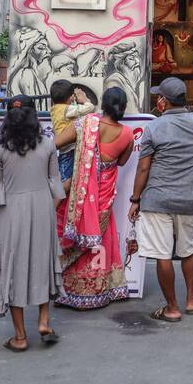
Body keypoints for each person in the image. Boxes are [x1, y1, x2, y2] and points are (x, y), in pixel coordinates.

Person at [129, 76, 193, 322]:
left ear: (163, 102)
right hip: (188, 199)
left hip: (157, 199)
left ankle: (172, 307)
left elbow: (143, 169)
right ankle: (191, 301)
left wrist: (135, 199)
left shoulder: (154, 127)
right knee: (188, 250)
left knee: (162, 254)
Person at [0, 97, 64, 352]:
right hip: (43, 207)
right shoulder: (48, 145)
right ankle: (43, 321)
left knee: (12, 267)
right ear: (34, 117)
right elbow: (55, 185)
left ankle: (19, 337)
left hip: (12, 211)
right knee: (43, 261)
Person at [53, 87, 134, 308]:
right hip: (104, 193)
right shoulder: (127, 134)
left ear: (104, 105)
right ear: (123, 108)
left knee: (75, 232)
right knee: (101, 236)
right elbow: (123, 162)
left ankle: (69, 291)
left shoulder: (86, 124)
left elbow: (56, 143)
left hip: (80, 191)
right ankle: (99, 290)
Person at [49, 80, 96, 185]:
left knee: (65, 177)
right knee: (66, 182)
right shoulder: (67, 110)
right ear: (71, 97)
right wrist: (84, 99)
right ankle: (56, 200)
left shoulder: (55, 109)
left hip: (63, 149)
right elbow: (90, 108)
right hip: (69, 150)